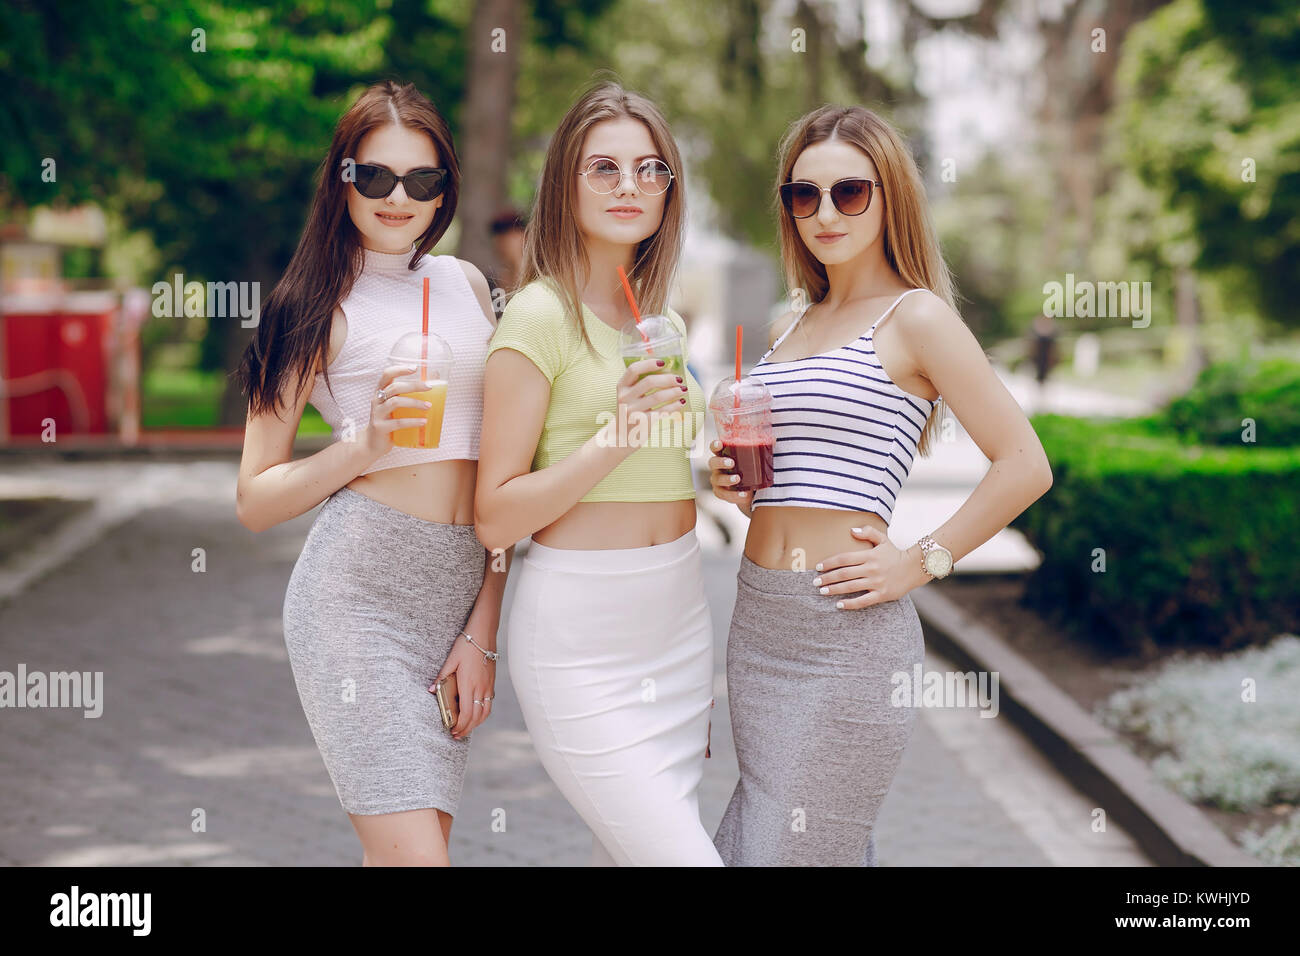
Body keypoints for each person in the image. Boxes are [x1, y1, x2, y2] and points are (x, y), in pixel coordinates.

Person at [708, 105, 1054, 865]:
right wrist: (728, 479)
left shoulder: (917, 318)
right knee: (774, 846)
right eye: (804, 196)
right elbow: (770, 484)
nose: (824, 212)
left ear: (889, 195)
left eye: (849, 193)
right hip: (761, 624)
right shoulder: (789, 326)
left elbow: (1026, 463)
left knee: (776, 852)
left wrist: (921, 560)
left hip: (848, 632)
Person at [234, 80, 508, 867]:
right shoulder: (308, 306)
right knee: (418, 860)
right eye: (375, 176)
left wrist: (481, 633)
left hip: (457, 593)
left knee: (403, 854)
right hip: (356, 602)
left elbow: (499, 473)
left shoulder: (466, 287)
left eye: (422, 181)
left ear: (444, 189)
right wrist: (363, 444)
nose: (398, 197)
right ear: (342, 180)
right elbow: (255, 499)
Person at [474, 81, 720, 866]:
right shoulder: (538, 315)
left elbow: (665, 469)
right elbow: (495, 516)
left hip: (678, 624)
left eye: (651, 170)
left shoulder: (662, 322)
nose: (629, 186)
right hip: (581, 636)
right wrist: (614, 438)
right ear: (564, 186)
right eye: (603, 168)